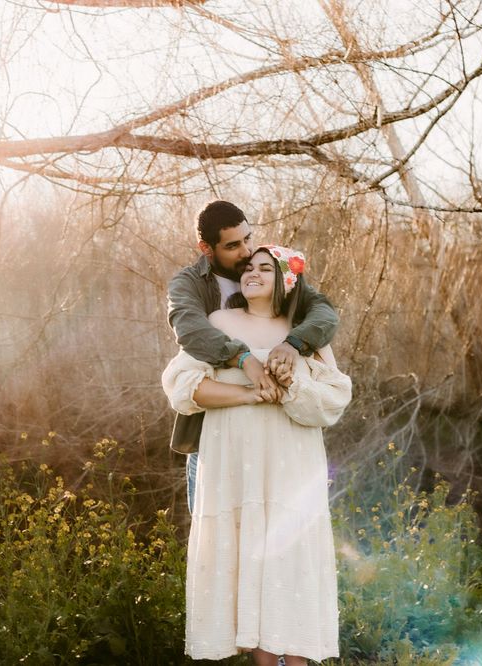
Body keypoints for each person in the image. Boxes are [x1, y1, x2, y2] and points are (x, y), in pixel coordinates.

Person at [162, 245, 352, 663]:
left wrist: (290, 385)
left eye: (266, 268)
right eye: (249, 267)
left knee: (290, 568)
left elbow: (333, 401)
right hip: (235, 466)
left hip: (291, 466)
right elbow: (183, 389)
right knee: (247, 564)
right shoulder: (218, 324)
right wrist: (251, 393)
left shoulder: (304, 332)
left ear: (286, 280)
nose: (253, 272)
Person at [166, 200, 339, 509]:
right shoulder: (190, 284)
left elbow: (323, 312)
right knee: (219, 523)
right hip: (216, 432)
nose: (246, 251)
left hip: (278, 436)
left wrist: (292, 344)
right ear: (206, 248)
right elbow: (191, 330)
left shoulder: (270, 267)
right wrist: (244, 359)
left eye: (248, 238)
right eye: (233, 245)